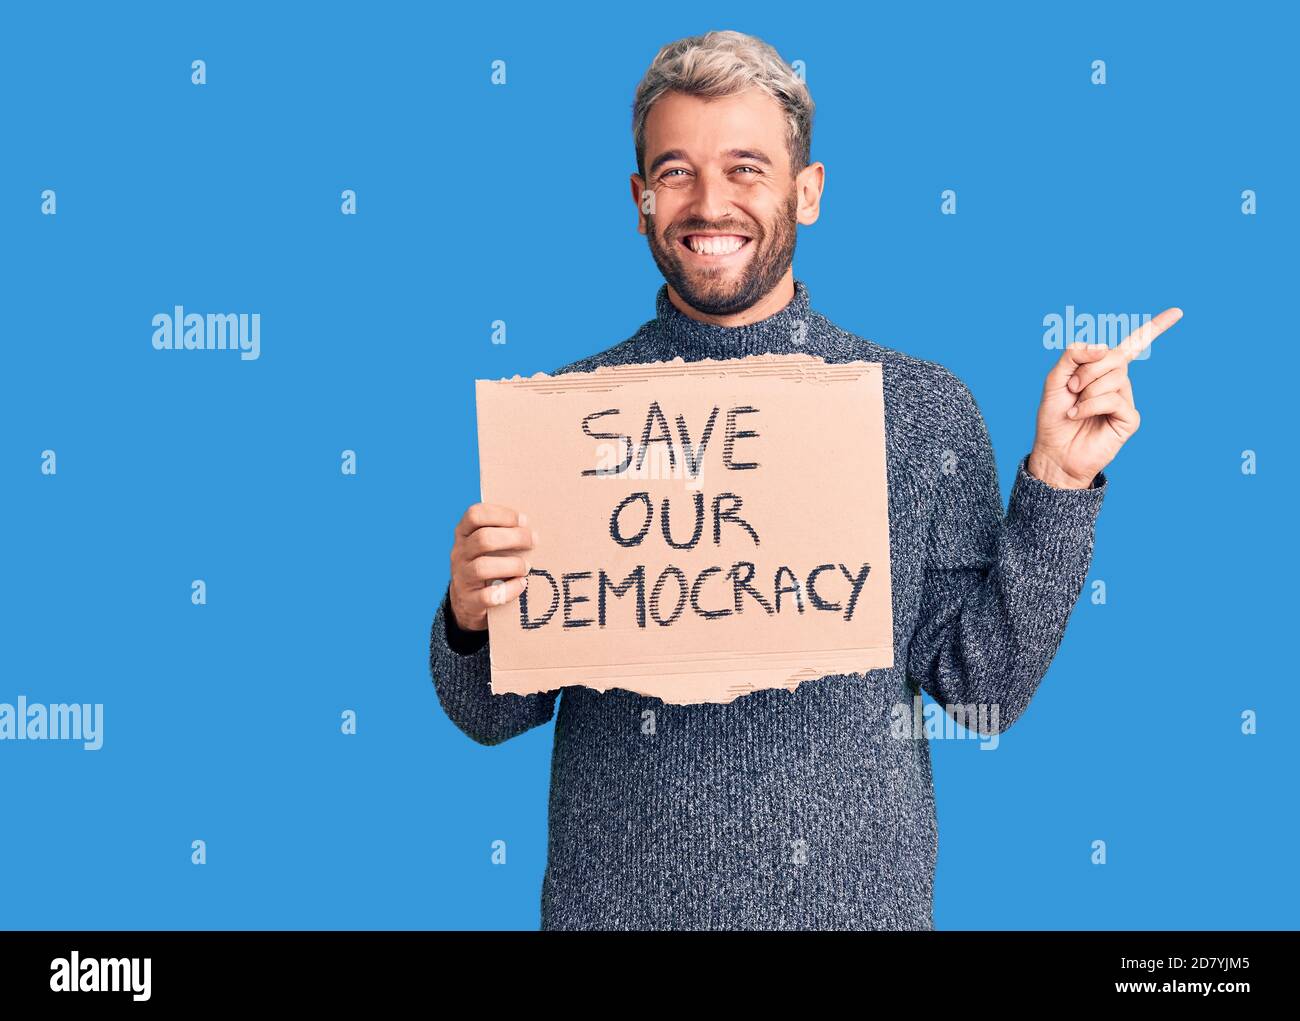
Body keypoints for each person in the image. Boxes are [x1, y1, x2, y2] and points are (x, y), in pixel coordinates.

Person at [429, 29, 1181, 930]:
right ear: (639, 199)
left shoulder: (919, 410)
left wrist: (1057, 481)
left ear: (807, 191)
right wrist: (469, 619)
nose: (710, 203)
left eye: (747, 167)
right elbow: (487, 714)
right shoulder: (566, 423)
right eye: (675, 172)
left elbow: (983, 691)